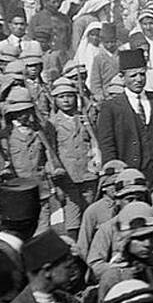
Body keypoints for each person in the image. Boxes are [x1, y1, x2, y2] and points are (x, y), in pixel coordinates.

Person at [95, 47, 153, 188]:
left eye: (142, 74)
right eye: (133, 76)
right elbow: (107, 145)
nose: (139, 80)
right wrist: (114, 174)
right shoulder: (111, 107)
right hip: (129, 175)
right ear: (122, 77)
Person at [48, 76, 97, 234]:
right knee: (72, 212)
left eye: (69, 96)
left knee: (89, 209)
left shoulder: (83, 119)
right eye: (61, 97)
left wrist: (89, 125)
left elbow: (94, 142)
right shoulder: (53, 123)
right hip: (68, 175)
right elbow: (51, 150)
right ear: (55, 100)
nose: (66, 100)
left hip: (87, 172)